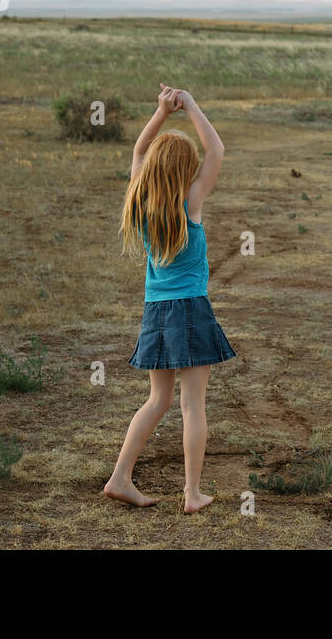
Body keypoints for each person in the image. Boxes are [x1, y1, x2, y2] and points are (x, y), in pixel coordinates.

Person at [103, 84, 235, 511]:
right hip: (191, 310)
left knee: (157, 400)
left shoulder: (140, 202)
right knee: (192, 404)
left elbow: (139, 151)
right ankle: (192, 493)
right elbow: (214, 150)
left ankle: (121, 477)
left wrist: (161, 113)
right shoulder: (190, 204)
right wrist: (190, 103)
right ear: (185, 173)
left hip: (155, 311)